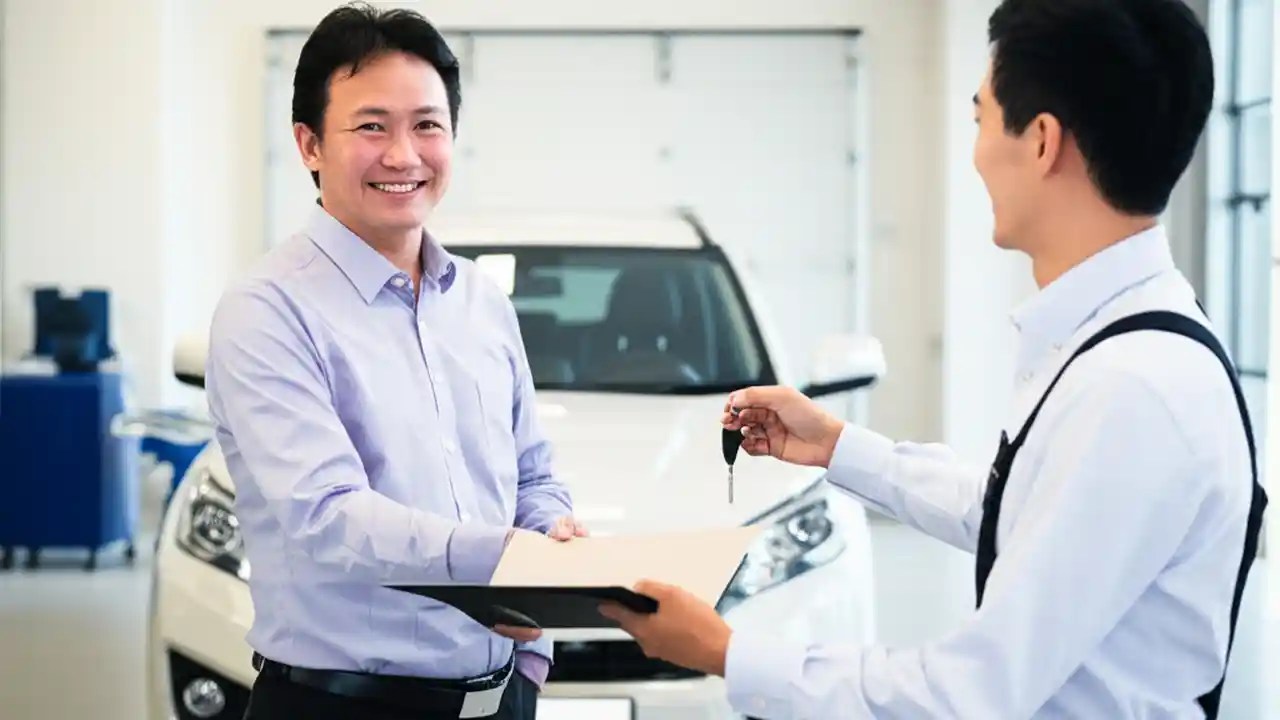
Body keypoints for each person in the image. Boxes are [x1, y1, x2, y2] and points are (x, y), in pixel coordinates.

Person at [599, 0, 1268, 717]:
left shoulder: (1133, 390)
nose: (975, 150)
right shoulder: (1122, 346)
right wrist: (838, 447)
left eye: (979, 117)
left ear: (1041, 141)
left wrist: (726, 654)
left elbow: (969, 692)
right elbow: (1023, 515)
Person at [204, 4, 583, 719]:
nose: (405, 155)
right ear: (309, 143)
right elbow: (328, 516)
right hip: (344, 704)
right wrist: (501, 558)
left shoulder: (480, 302)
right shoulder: (267, 309)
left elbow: (532, 474)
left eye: (427, 125)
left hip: (502, 699)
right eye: (372, 126)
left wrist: (549, 544)